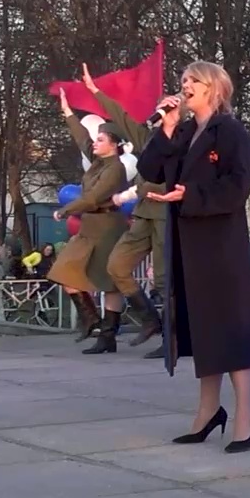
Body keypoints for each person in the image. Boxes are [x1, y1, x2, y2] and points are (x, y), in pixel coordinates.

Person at [148, 61, 250, 452]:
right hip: (189, 245)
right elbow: (151, 169)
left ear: (215, 88)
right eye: (182, 81)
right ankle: (207, 411)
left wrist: (191, 196)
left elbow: (237, 187)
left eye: (193, 80)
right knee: (204, 331)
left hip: (220, 246)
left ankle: (245, 418)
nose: (184, 87)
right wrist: (164, 130)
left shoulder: (230, 132)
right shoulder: (183, 132)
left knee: (231, 330)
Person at [85, 64, 177, 356]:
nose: (160, 109)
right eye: (160, 106)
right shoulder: (149, 137)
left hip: (166, 213)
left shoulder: (185, 139)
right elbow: (121, 118)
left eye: (167, 106)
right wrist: (96, 91)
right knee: (117, 266)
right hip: (144, 214)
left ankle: (173, 339)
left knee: (164, 279)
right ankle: (150, 318)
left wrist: (140, 191)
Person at [46, 90, 130, 351]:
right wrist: (68, 111)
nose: (95, 142)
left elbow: (94, 198)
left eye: (101, 139)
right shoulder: (97, 161)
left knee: (110, 283)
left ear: (114, 144)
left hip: (107, 228)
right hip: (89, 228)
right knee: (63, 271)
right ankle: (90, 317)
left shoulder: (115, 169)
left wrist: (65, 210)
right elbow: (82, 138)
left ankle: (108, 336)